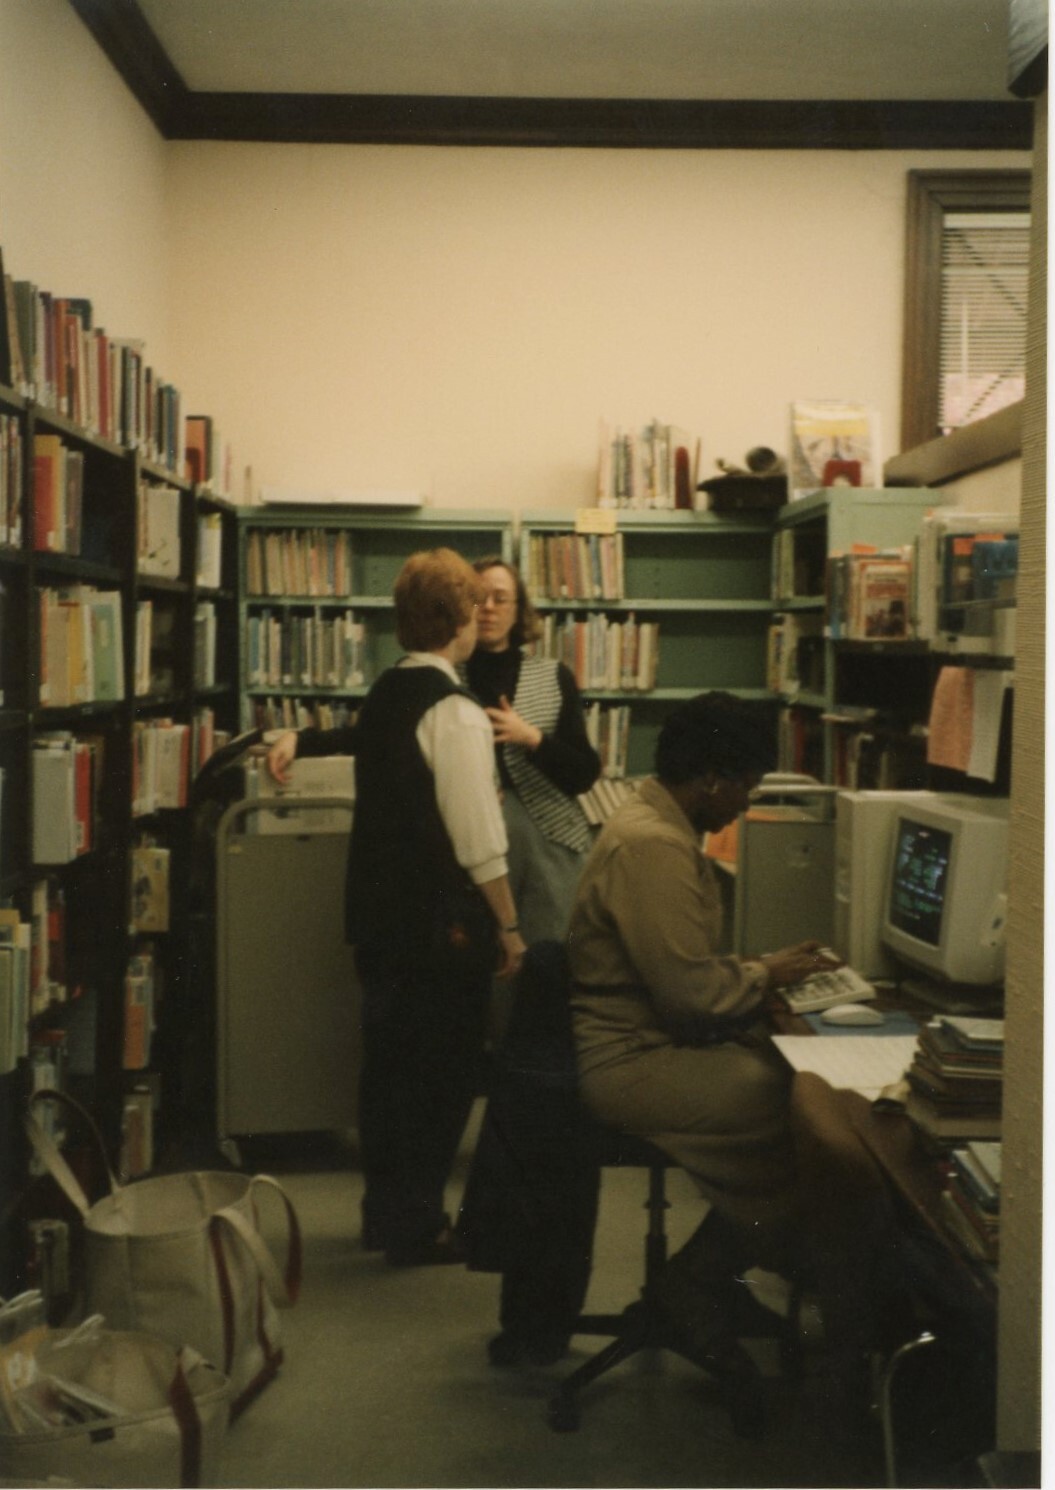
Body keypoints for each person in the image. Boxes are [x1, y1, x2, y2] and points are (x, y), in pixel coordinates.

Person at [567, 691, 909, 1392]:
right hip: (628, 1060)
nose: (746, 804)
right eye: (746, 787)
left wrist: (760, 971)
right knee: (804, 1121)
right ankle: (700, 1283)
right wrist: (761, 976)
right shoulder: (653, 846)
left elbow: (678, 972)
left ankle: (708, 1278)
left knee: (799, 1102)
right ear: (712, 779)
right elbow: (690, 997)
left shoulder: (653, 823)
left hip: (641, 1039)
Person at [266, 547, 526, 1266]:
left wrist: (298, 735)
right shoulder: (457, 711)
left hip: (381, 921)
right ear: (458, 618)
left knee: (387, 1077)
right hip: (442, 928)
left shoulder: (388, 690)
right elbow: (479, 840)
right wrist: (508, 926)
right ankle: (417, 1225)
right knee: (441, 1078)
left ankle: (386, 1215)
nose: (481, 617)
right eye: (474, 606)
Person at [463, 556, 601, 946]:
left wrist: (533, 738)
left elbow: (585, 773)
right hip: (474, 841)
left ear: (518, 609)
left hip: (549, 843)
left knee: (548, 958)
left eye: (500, 598)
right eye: (478, 598)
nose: (488, 607)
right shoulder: (445, 675)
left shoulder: (553, 675)